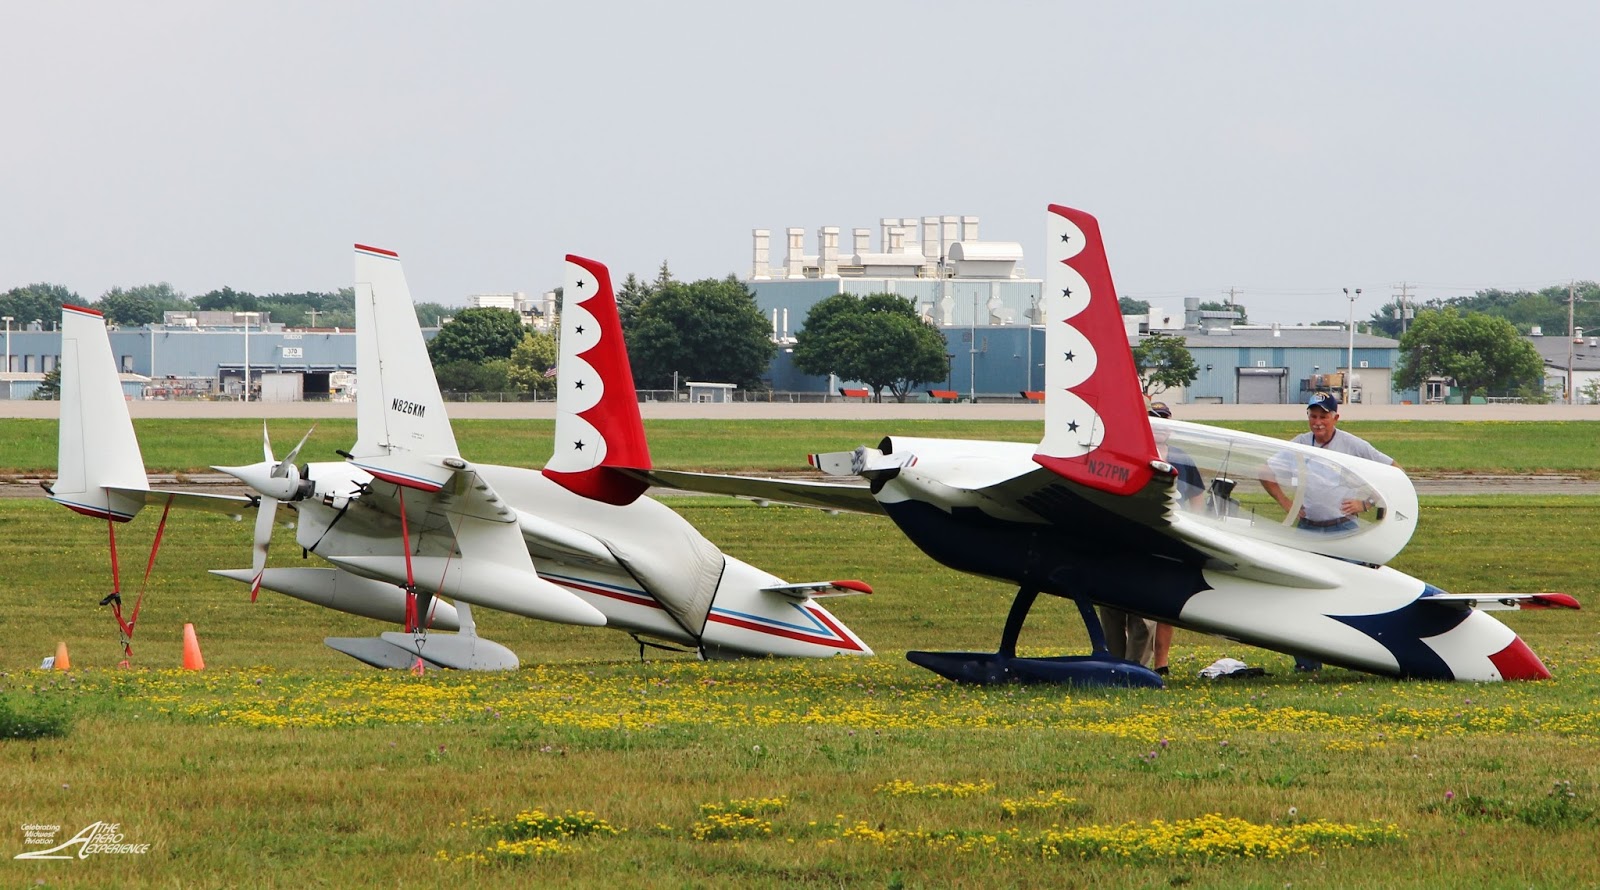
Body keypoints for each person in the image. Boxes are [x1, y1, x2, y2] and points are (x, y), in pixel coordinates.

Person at [1260, 392, 1401, 670]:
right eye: (1313, 416)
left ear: (1336, 417)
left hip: (1344, 531)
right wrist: (1286, 503)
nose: (1318, 422)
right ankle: (1307, 663)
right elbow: (1265, 470)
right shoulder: (1300, 443)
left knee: (1352, 594)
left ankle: (1359, 657)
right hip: (1307, 531)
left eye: (1324, 416)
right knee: (1300, 593)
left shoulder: (1353, 445)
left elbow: (1394, 470)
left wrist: (1366, 502)